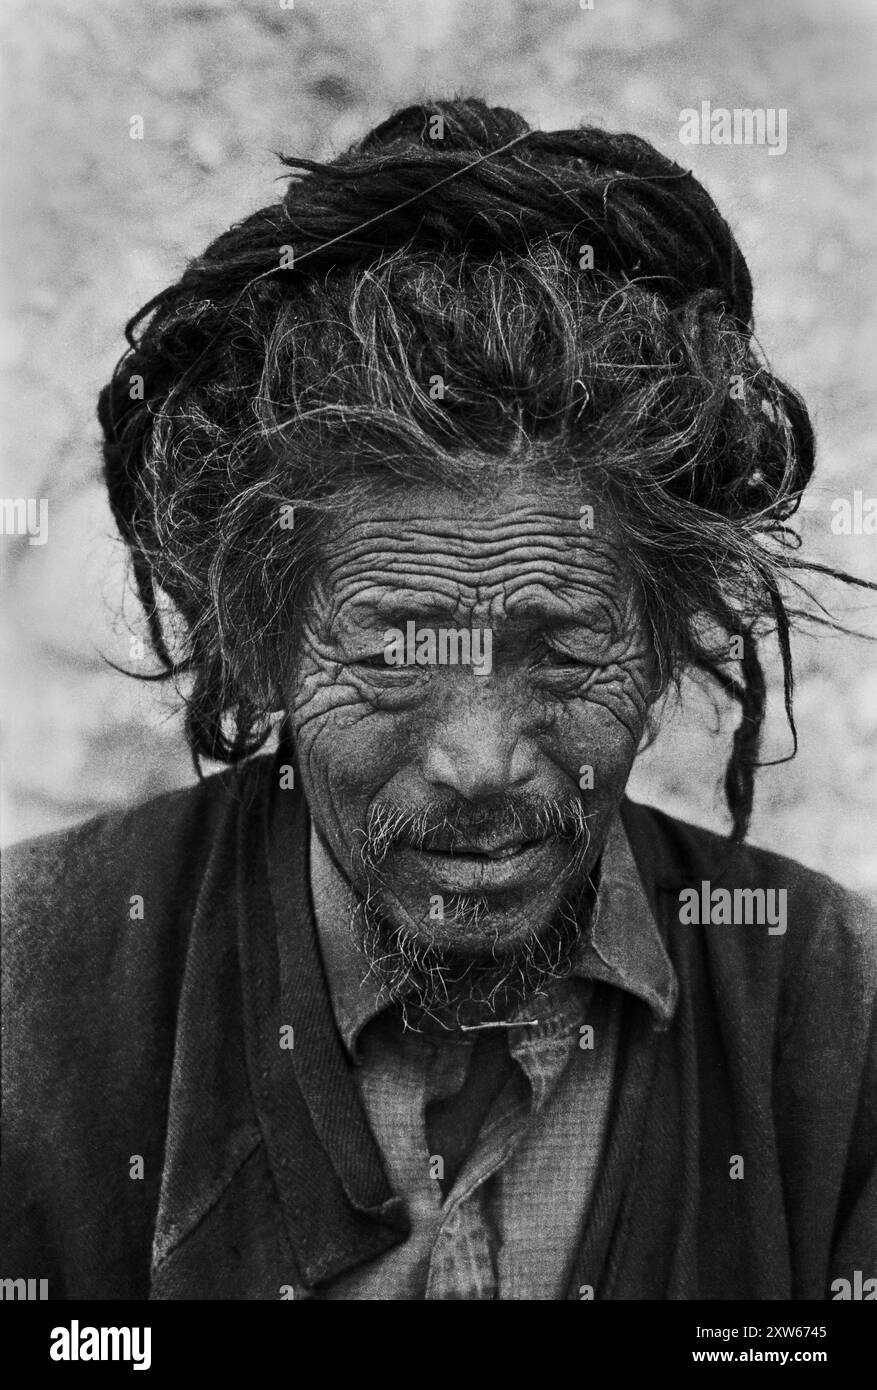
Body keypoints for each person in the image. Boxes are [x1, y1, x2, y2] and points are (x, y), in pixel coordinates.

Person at [2, 97, 874, 1301]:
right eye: (396, 653)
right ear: (259, 647)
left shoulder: (839, 1021)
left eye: (562, 647)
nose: (481, 760)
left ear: (670, 636)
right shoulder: (28, 999)